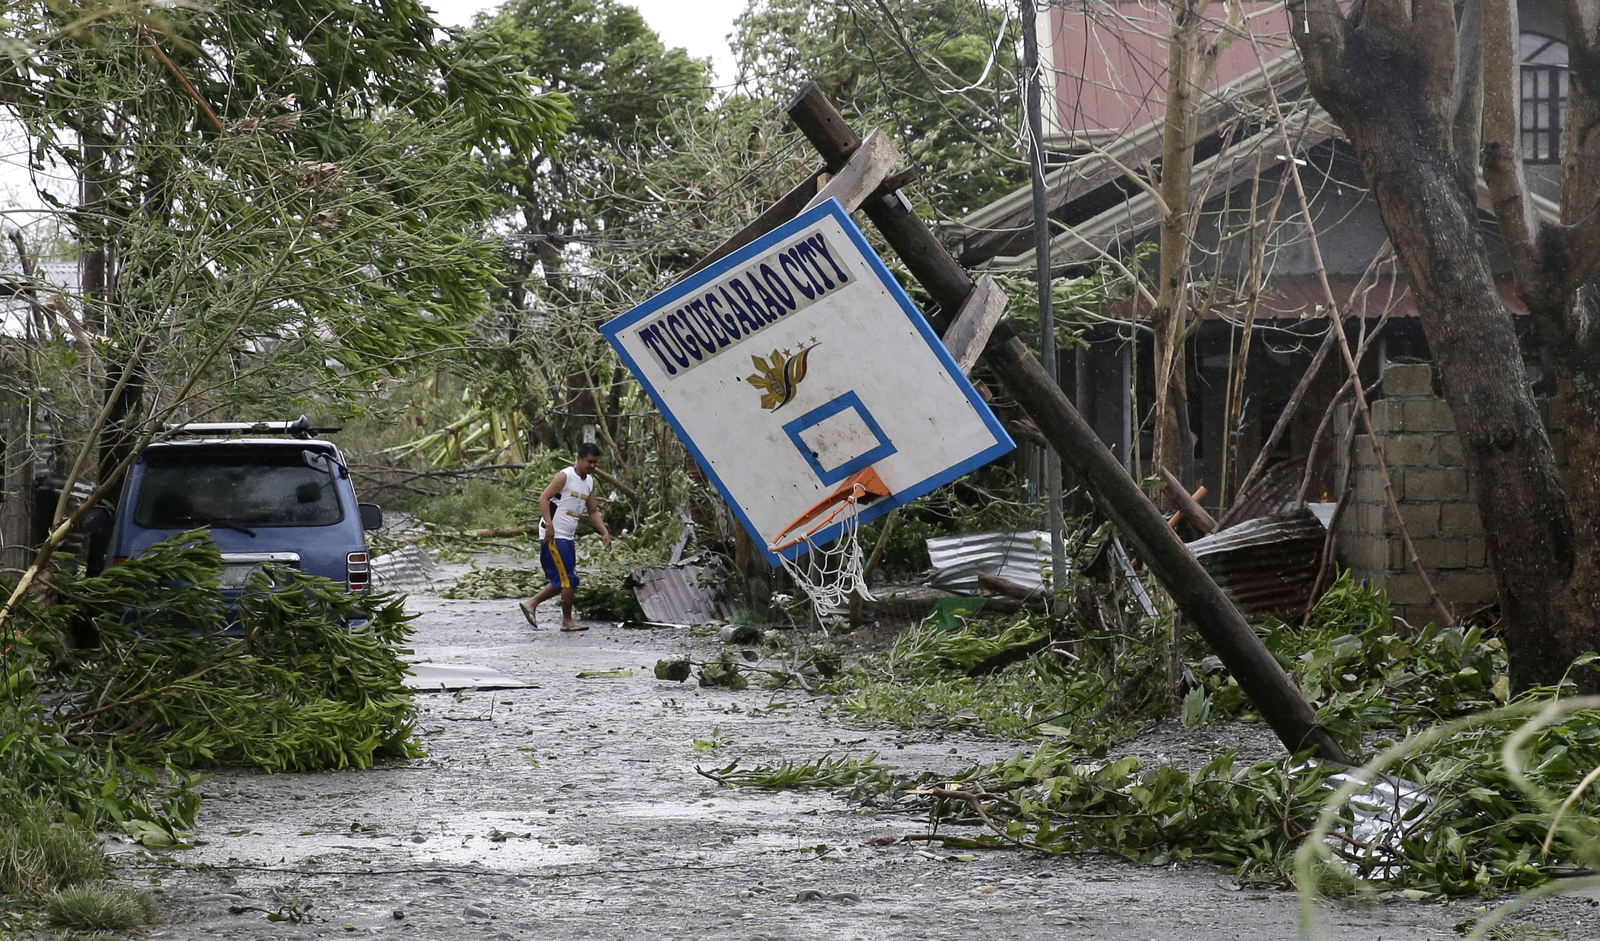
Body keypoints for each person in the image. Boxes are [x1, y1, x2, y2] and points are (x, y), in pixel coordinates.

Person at [518, 443, 612, 632]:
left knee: (565, 580)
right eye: (589, 462)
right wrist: (549, 524)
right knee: (568, 579)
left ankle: (532, 604)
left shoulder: (589, 482)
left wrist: (604, 532)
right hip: (553, 534)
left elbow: (592, 510)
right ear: (579, 459)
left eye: (595, 463)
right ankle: (567, 620)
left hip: (568, 536)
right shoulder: (565, 476)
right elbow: (543, 498)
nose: (592, 466)